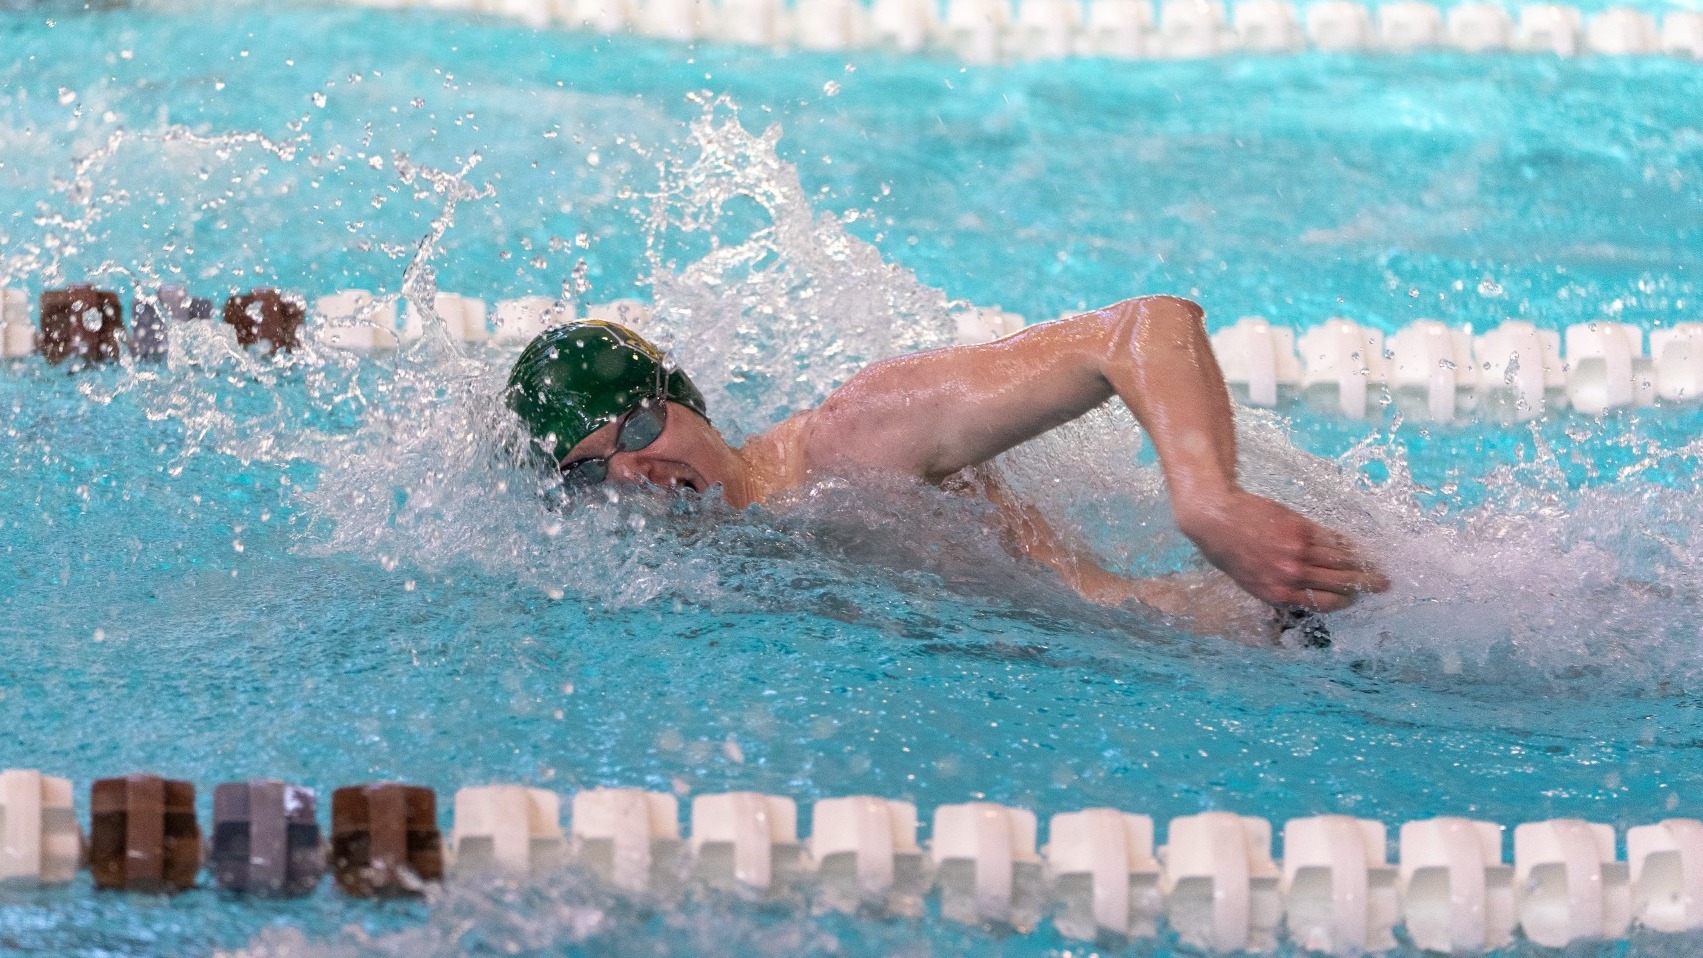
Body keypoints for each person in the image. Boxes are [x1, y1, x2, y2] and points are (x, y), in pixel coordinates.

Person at [504, 295, 1389, 642]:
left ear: (685, 397)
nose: (631, 476)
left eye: (636, 429)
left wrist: (1208, 501)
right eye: (588, 474)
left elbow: (1141, 329)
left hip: (1279, 625)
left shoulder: (848, 444)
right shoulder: (688, 571)